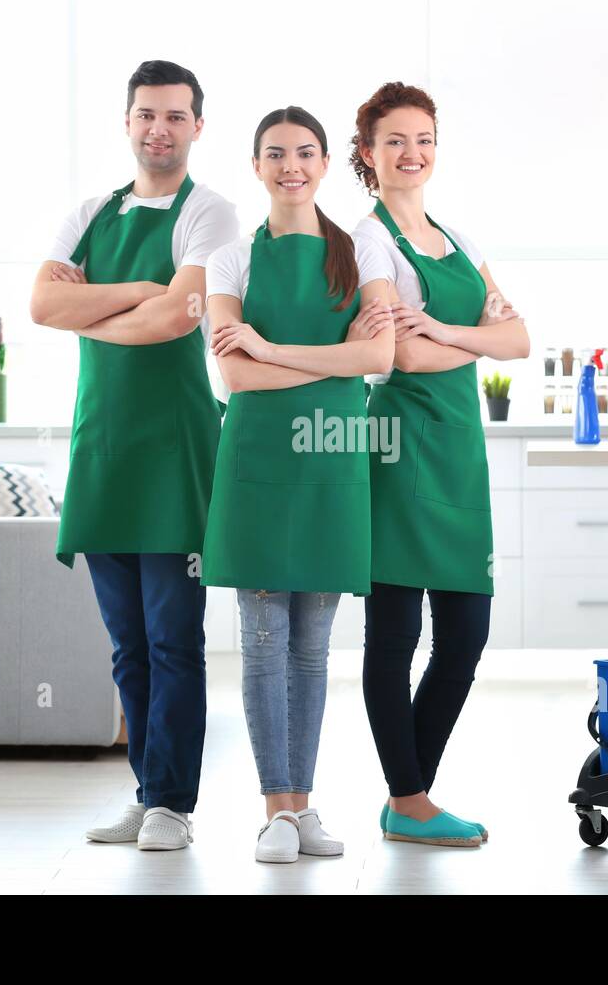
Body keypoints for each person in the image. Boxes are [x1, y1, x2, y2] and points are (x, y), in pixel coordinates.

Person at [30, 60, 238, 852]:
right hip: (105, 451)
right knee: (126, 644)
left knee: (173, 637)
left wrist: (96, 307)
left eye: (175, 116)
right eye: (147, 114)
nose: (159, 128)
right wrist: (136, 294)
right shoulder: (90, 211)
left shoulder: (210, 213)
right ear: (127, 121)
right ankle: (147, 791)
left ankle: (173, 807)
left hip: (175, 453)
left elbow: (177, 318)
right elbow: (44, 303)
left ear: (196, 127)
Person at [203, 106, 394, 863]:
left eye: (306, 153)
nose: (292, 166)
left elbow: (378, 359)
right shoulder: (229, 259)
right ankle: (274, 812)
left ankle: (303, 808)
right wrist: (326, 355)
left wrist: (271, 345)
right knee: (261, 645)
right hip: (257, 466)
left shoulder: (363, 250)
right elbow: (233, 372)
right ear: (256, 166)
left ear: (323, 163)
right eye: (276, 154)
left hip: (332, 462)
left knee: (313, 650)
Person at [349, 81, 530, 847]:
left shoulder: (459, 238)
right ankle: (411, 797)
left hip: (458, 451)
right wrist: (466, 334)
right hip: (397, 446)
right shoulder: (366, 237)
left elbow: (520, 339)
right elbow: (396, 353)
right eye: (394, 140)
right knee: (394, 635)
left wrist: (448, 334)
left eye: (422, 138)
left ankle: (406, 794)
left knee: (465, 635)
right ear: (367, 154)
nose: (411, 153)